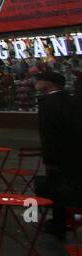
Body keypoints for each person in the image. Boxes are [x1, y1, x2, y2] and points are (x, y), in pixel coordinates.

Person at [36, 70, 79, 238]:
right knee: (69, 188)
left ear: (49, 84)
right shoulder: (70, 99)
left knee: (57, 190)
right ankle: (68, 219)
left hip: (56, 155)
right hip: (72, 154)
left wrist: (49, 156)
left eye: (39, 80)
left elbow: (49, 133)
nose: (36, 83)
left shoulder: (49, 103)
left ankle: (58, 223)